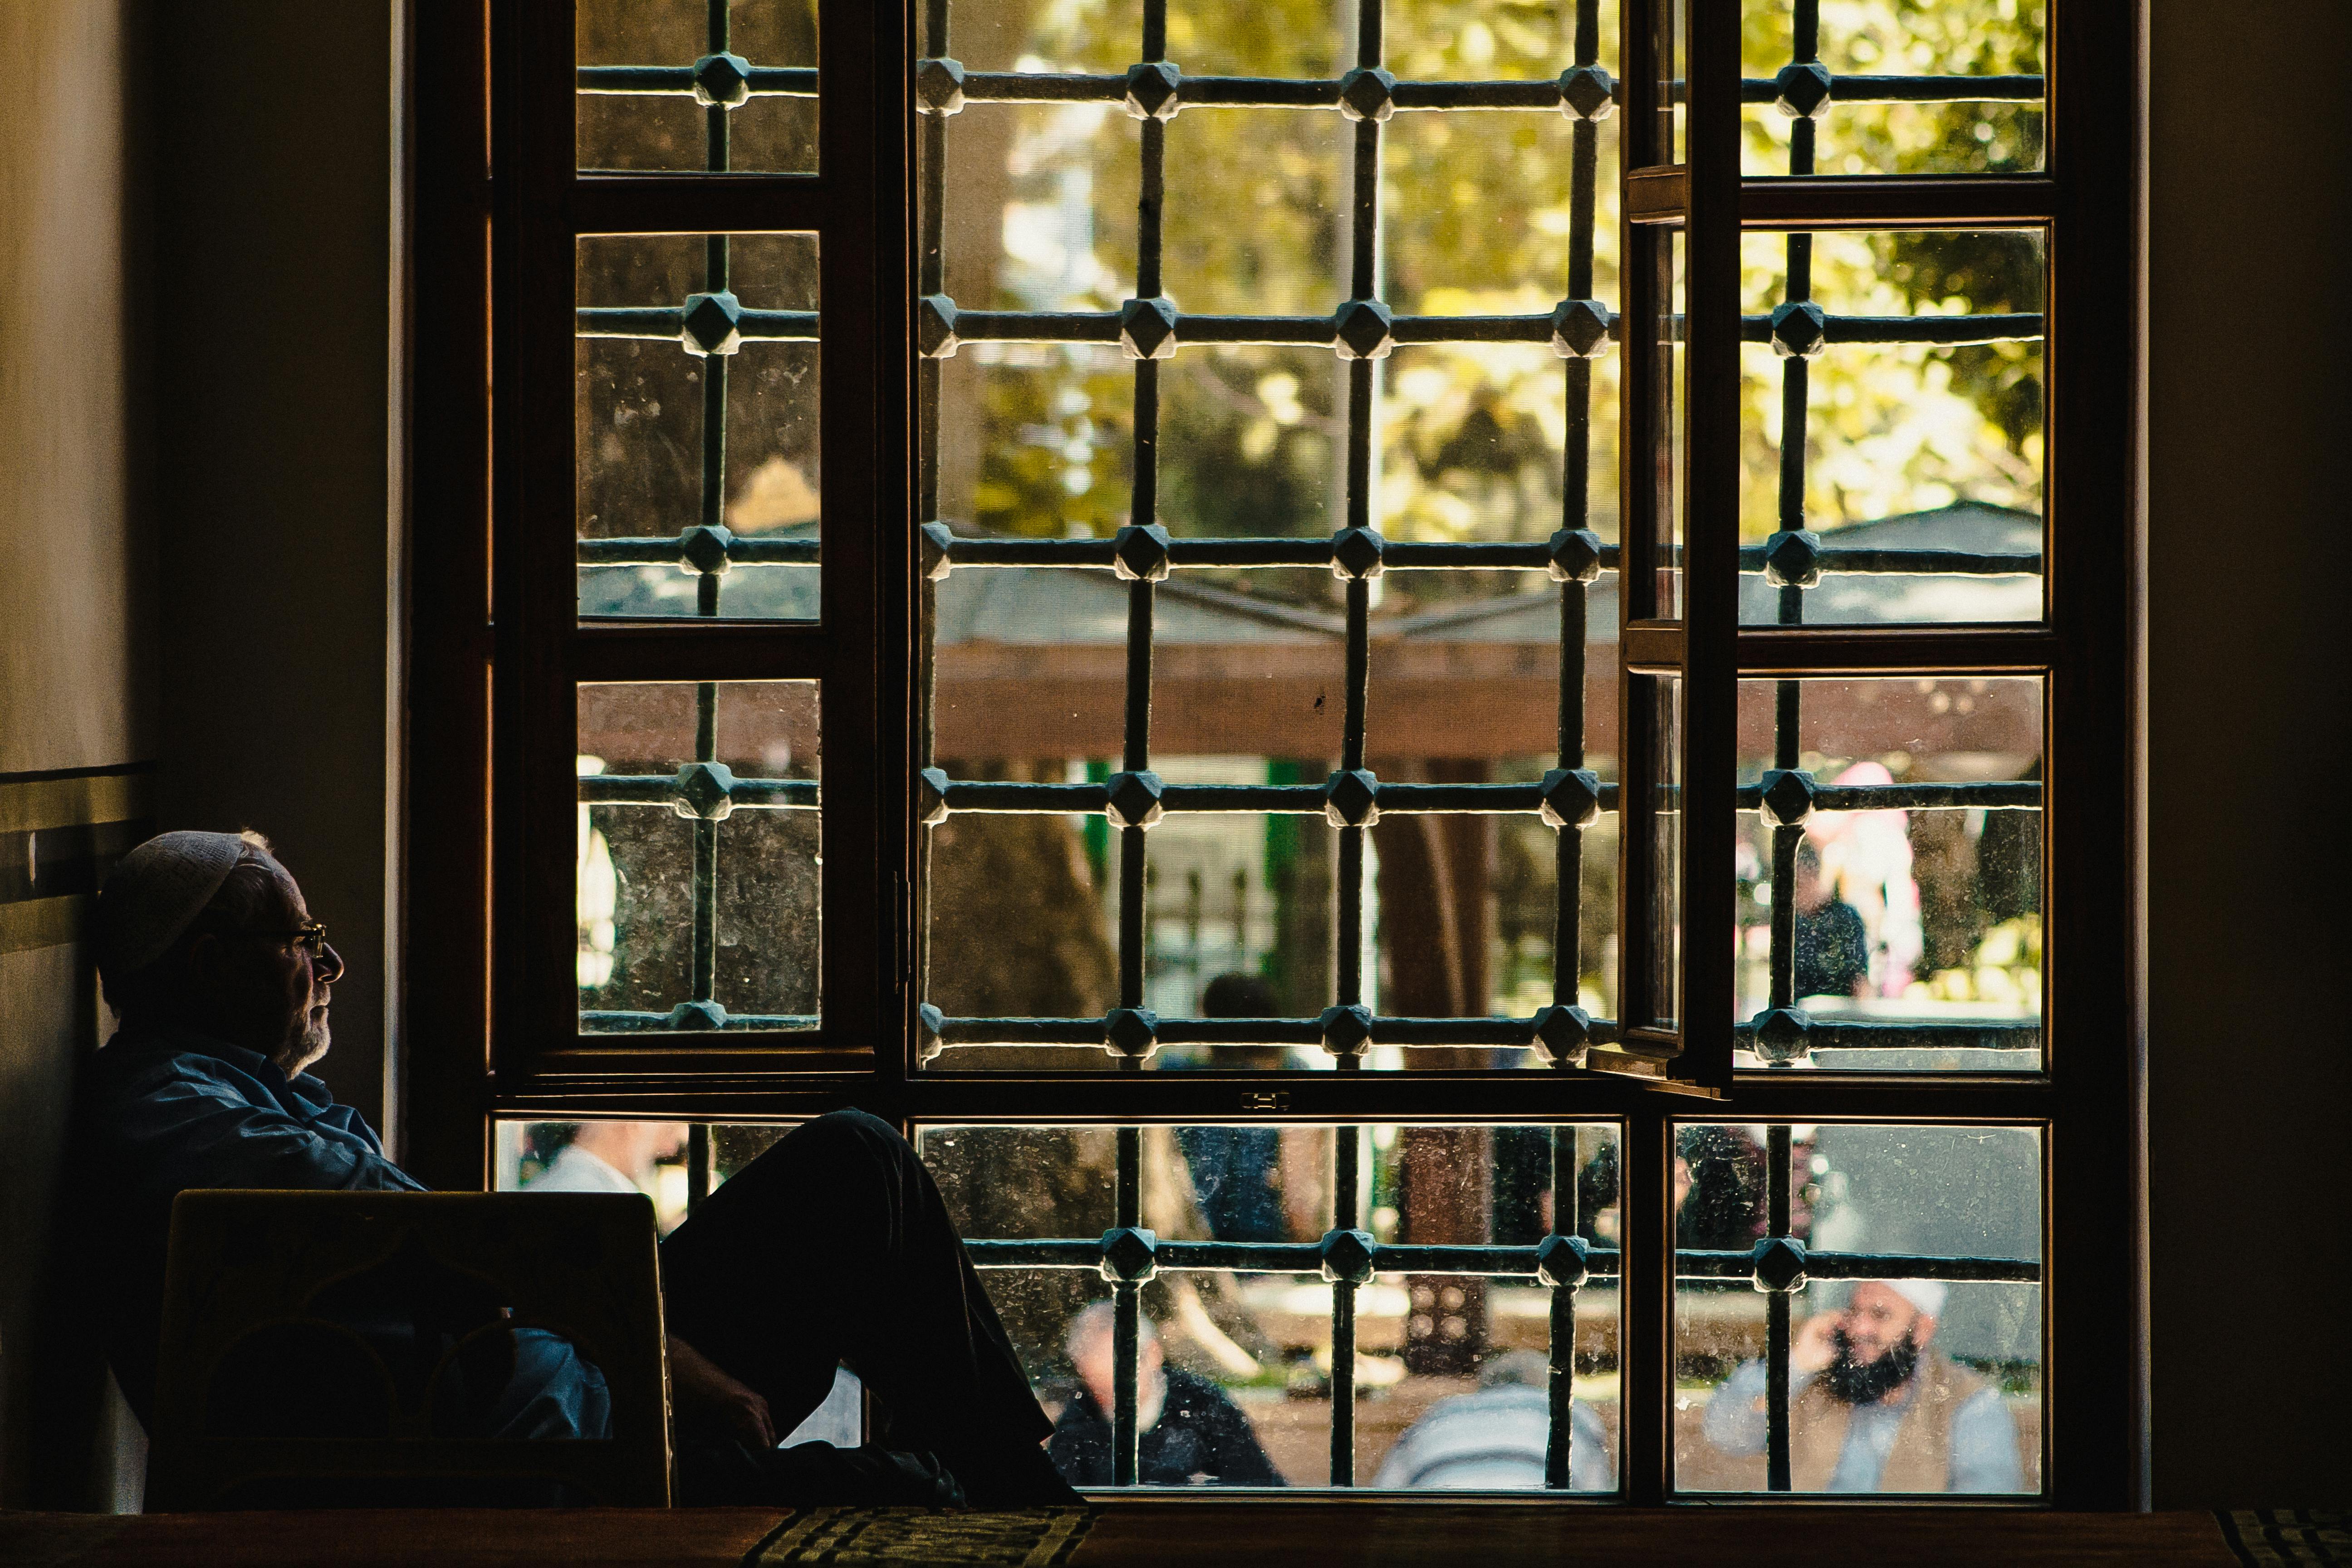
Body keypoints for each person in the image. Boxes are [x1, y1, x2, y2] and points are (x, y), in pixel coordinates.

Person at [70, 828, 1079, 1509]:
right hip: (521, 1455)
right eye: (301, 942)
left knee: (856, 1164)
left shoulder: (221, 1096)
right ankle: (1017, 1497)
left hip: (559, 1389)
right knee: (907, 1490)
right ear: (207, 965)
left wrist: (645, 1353)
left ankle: (1012, 1483)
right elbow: (440, 1246)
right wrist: (664, 1361)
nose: (326, 968)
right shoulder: (179, 1119)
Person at [1698, 1279, 2024, 1492]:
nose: (1860, 1328)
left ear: (1923, 1330)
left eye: (1880, 1315)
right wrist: (1795, 1366)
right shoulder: (1814, 1374)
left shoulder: (1969, 1401)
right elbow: (1727, 1436)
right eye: (1855, 1312)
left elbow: (1985, 1515)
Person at [1046, 1302, 1283, 1487]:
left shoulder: (1202, 1403)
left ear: (1154, 1353)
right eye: (1094, 1373)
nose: (1108, 1388)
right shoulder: (1077, 1421)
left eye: (1120, 1366)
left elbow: (1257, 1486)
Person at [1371, 1351, 1612, 1491]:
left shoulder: (1442, 1411)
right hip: (1539, 1530)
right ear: (1547, 1388)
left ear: (1485, 1386)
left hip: (1439, 1528)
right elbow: (1595, 1498)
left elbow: (1384, 1492)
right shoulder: (1573, 1413)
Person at [1792, 839, 1874, 1002]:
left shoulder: (1845, 917)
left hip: (1835, 1018)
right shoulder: (1791, 922)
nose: (1797, 892)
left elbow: (1859, 980)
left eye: (1800, 883)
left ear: (1814, 876)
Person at [524, 1122, 689, 1198]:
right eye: (668, 1131)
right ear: (630, 1125)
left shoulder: (555, 1185)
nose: (670, 1150)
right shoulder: (599, 1198)